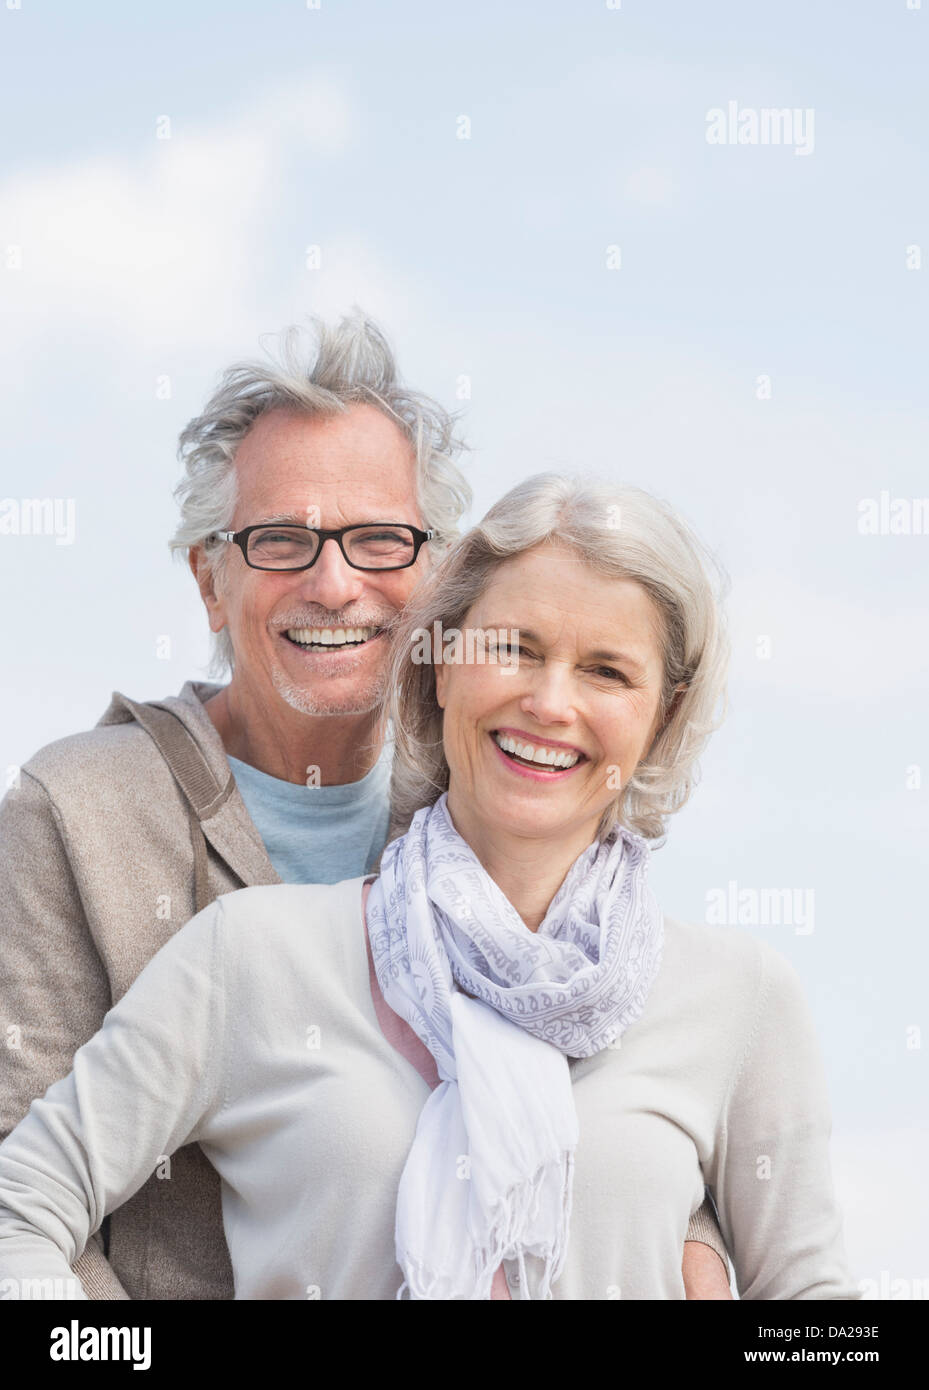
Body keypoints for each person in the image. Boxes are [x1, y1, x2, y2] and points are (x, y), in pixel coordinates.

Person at [0, 317, 729, 1299]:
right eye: (280, 540)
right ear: (210, 581)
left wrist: (701, 1249)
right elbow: (19, 1186)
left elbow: (611, 1105)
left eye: (378, 538)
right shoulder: (76, 813)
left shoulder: (493, 805)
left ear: (437, 578)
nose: (334, 583)